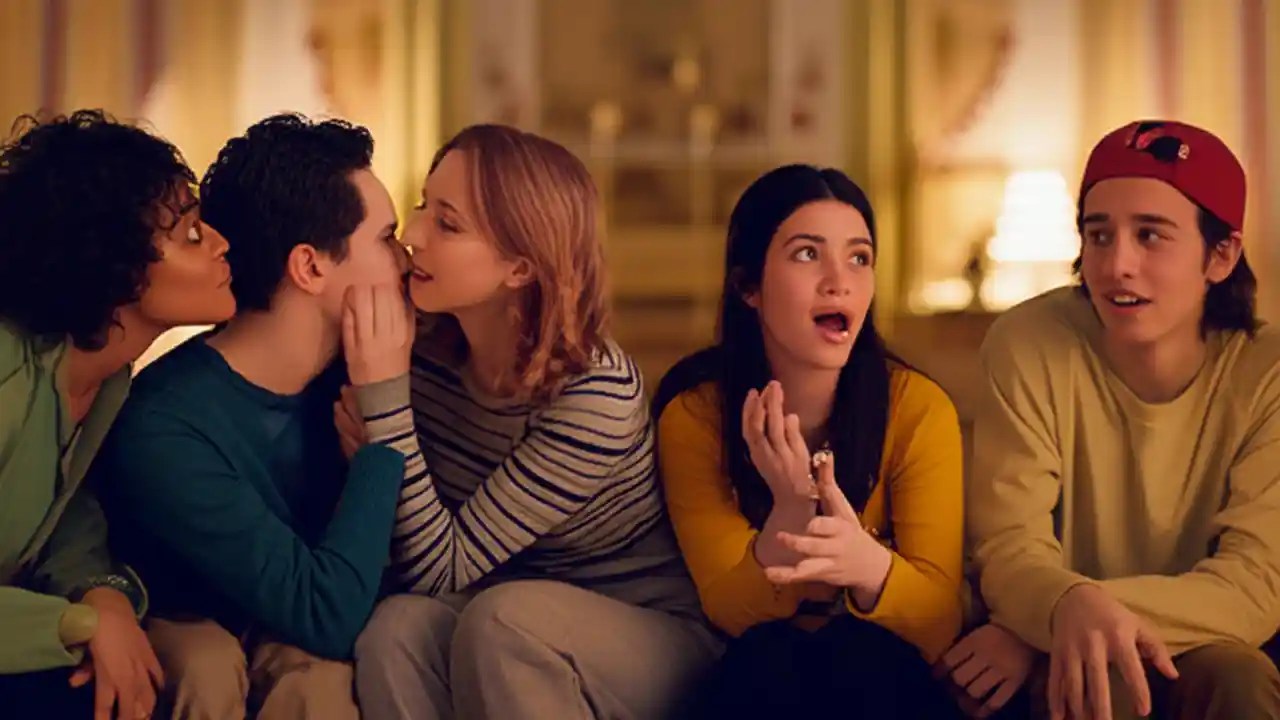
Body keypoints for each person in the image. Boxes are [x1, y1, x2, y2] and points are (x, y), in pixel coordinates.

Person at [348, 124, 721, 720]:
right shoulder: (419, 350)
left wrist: (384, 410)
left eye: (447, 224)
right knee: (395, 630)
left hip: (645, 630)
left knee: (505, 623)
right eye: (422, 206)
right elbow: (418, 570)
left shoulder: (596, 395)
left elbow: (438, 568)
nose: (413, 235)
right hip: (500, 603)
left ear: (520, 268)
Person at [948, 119, 1280, 720]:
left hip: (1200, 643)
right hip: (1060, 649)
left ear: (1221, 255)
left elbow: (1252, 588)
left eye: (1150, 235)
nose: (1116, 264)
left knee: (1240, 678)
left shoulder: (1267, 375)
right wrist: (1060, 612)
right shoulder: (1027, 343)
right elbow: (1008, 546)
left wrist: (1058, 618)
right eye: (1098, 235)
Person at [96, 113, 412, 720]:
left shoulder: (359, 376)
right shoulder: (164, 425)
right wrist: (385, 433)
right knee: (208, 667)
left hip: (285, 634)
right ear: (310, 267)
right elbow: (326, 614)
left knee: (318, 685)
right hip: (185, 626)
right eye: (387, 238)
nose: (406, 259)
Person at [652, 164, 965, 717]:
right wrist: (793, 510)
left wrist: (865, 564)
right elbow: (728, 610)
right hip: (755, 674)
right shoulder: (696, 416)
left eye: (859, 258)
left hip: (885, 678)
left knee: (861, 661)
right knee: (768, 663)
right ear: (748, 286)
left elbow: (940, 624)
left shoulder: (919, 410)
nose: (839, 281)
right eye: (806, 254)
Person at [0, 109, 235, 719]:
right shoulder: (7, 378)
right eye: (191, 234)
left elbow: (59, 517)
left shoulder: (104, 379)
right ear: (115, 265)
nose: (221, 243)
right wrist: (75, 623)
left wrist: (101, 594)